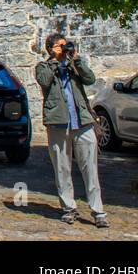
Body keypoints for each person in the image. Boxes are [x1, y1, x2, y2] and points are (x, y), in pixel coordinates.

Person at [35, 33, 109, 228]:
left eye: (64, 45)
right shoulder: (43, 67)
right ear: (51, 48)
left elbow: (90, 79)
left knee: (90, 169)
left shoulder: (73, 65)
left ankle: (98, 211)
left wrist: (76, 60)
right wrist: (53, 61)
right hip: (58, 123)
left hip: (82, 122)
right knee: (62, 168)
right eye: (60, 46)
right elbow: (44, 81)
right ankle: (69, 208)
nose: (64, 49)